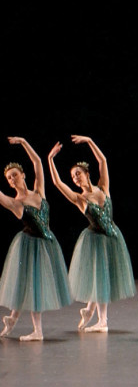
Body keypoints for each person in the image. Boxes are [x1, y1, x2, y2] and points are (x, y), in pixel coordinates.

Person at [46, 135, 135, 333]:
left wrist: (89, 140)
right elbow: (58, 184)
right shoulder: (80, 198)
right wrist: (50, 160)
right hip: (94, 240)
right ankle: (102, 320)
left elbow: (103, 161)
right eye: (73, 176)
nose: (76, 178)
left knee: (101, 278)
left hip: (112, 237)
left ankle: (89, 310)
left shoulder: (103, 187)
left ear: (87, 173)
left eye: (78, 174)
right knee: (99, 278)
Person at [0, 137, 70, 341]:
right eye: (8, 179)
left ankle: (13, 318)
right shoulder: (16, 203)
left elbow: (38, 163)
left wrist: (23, 142)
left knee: (30, 284)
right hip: (28, 245)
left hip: (47, 243)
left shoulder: (39, 190)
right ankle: (37, 331)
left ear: (23, 175)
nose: (12, 180)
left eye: (14, 176)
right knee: (31, 286)